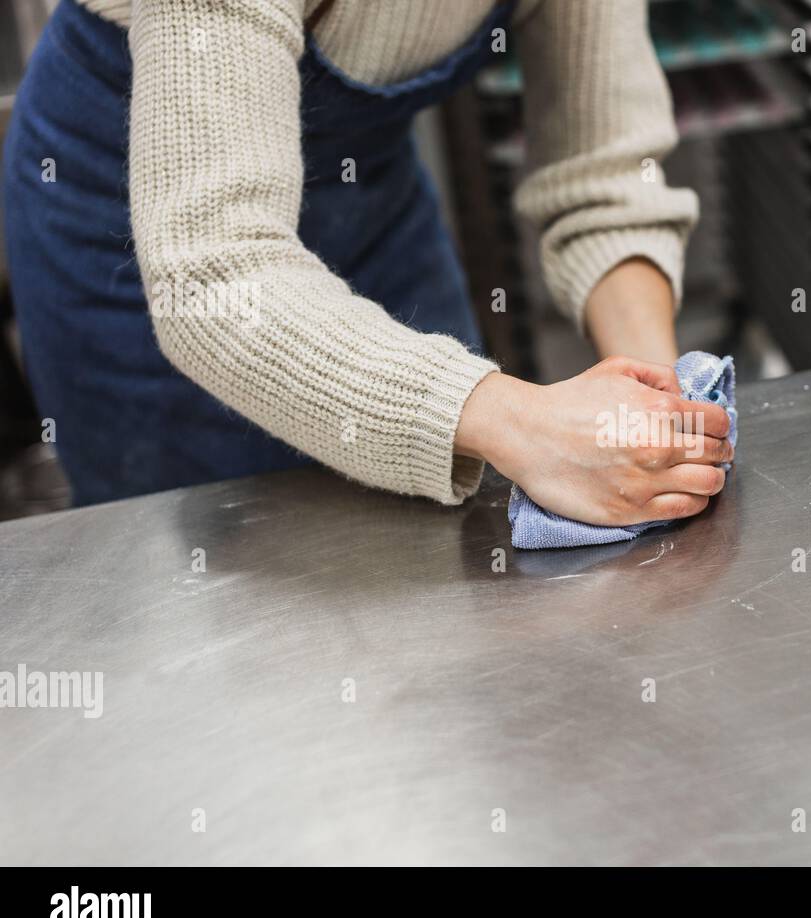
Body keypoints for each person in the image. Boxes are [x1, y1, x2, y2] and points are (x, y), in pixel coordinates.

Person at [3, 0, 734, 526]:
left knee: (438, 565)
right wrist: (529, 427)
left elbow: (601, 174)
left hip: (364, 200)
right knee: (212, 604)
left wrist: (663, 415)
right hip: (144, 227)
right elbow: (214, 278)